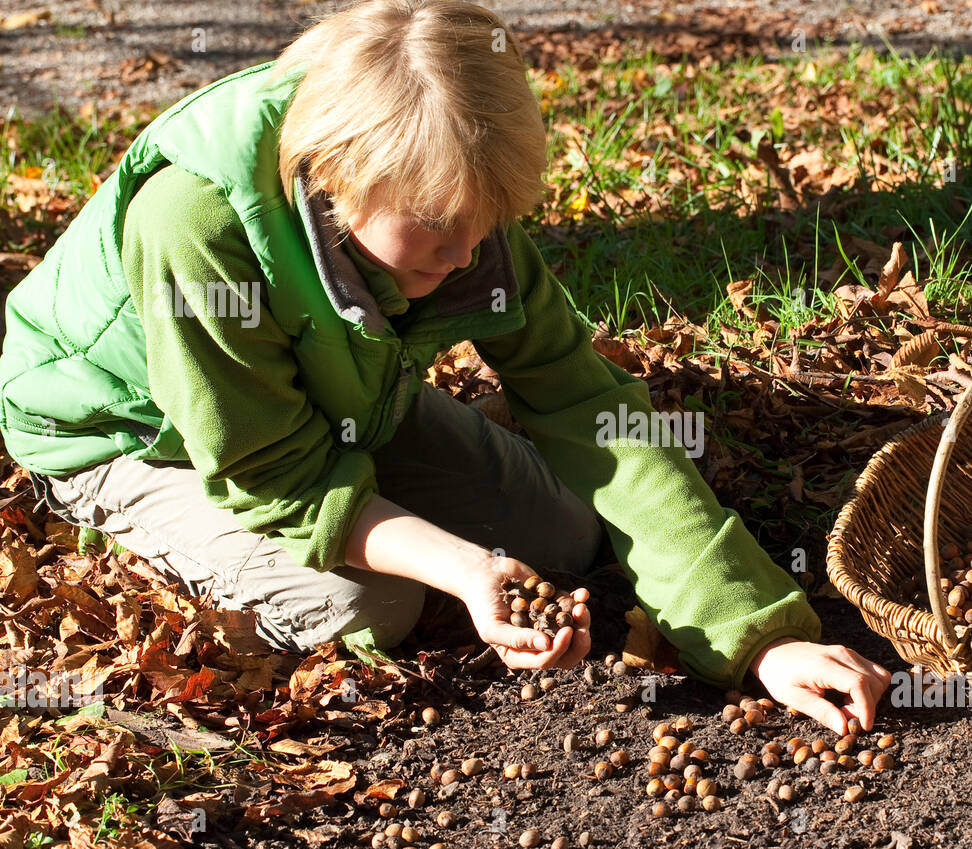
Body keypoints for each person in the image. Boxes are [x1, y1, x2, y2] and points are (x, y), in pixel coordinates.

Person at [0, 0, 889, 733]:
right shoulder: (194, 223)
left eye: (484, 224)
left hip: (335, 400)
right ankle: (115, 512)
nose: (467, 257)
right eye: (437, 231)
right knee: (365, 608)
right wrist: (464, 570)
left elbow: (585, 404)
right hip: (127, 428)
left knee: (564, 536)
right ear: (337, 175)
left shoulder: (452, 204)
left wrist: (759, 638)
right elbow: (269, 468)